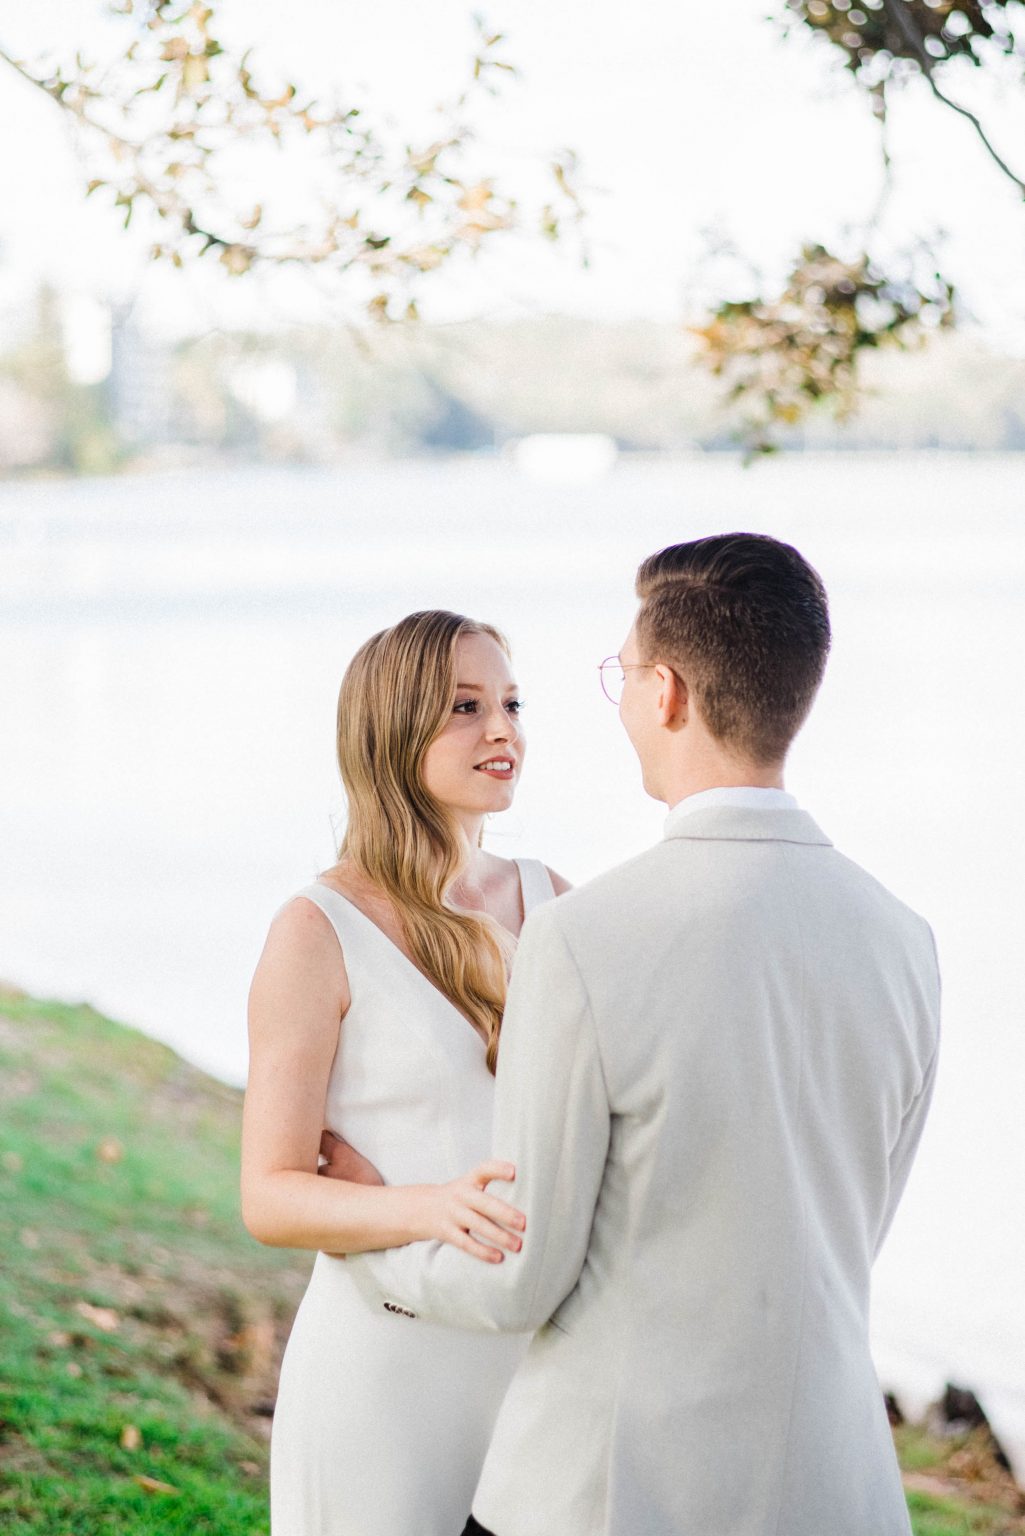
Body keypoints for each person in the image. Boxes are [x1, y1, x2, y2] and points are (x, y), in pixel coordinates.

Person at [352, 534, 942, 1536]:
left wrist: (378, 1253)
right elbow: (840, 1241)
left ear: (665, 693)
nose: (620, 700)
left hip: (607, 1492)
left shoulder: (582, 939)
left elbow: (522, 1280)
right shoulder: (904, 940)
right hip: (837, 1492)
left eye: (619, 676)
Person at [240, 609, 569, 1536]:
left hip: (529, 1374)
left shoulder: (555, 904)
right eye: (465, 706)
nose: (501, 729)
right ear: (392, 731)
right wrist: (427, 1207)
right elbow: (269, 1196)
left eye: (509, 702)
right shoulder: (315, 931)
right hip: (384, 1373)